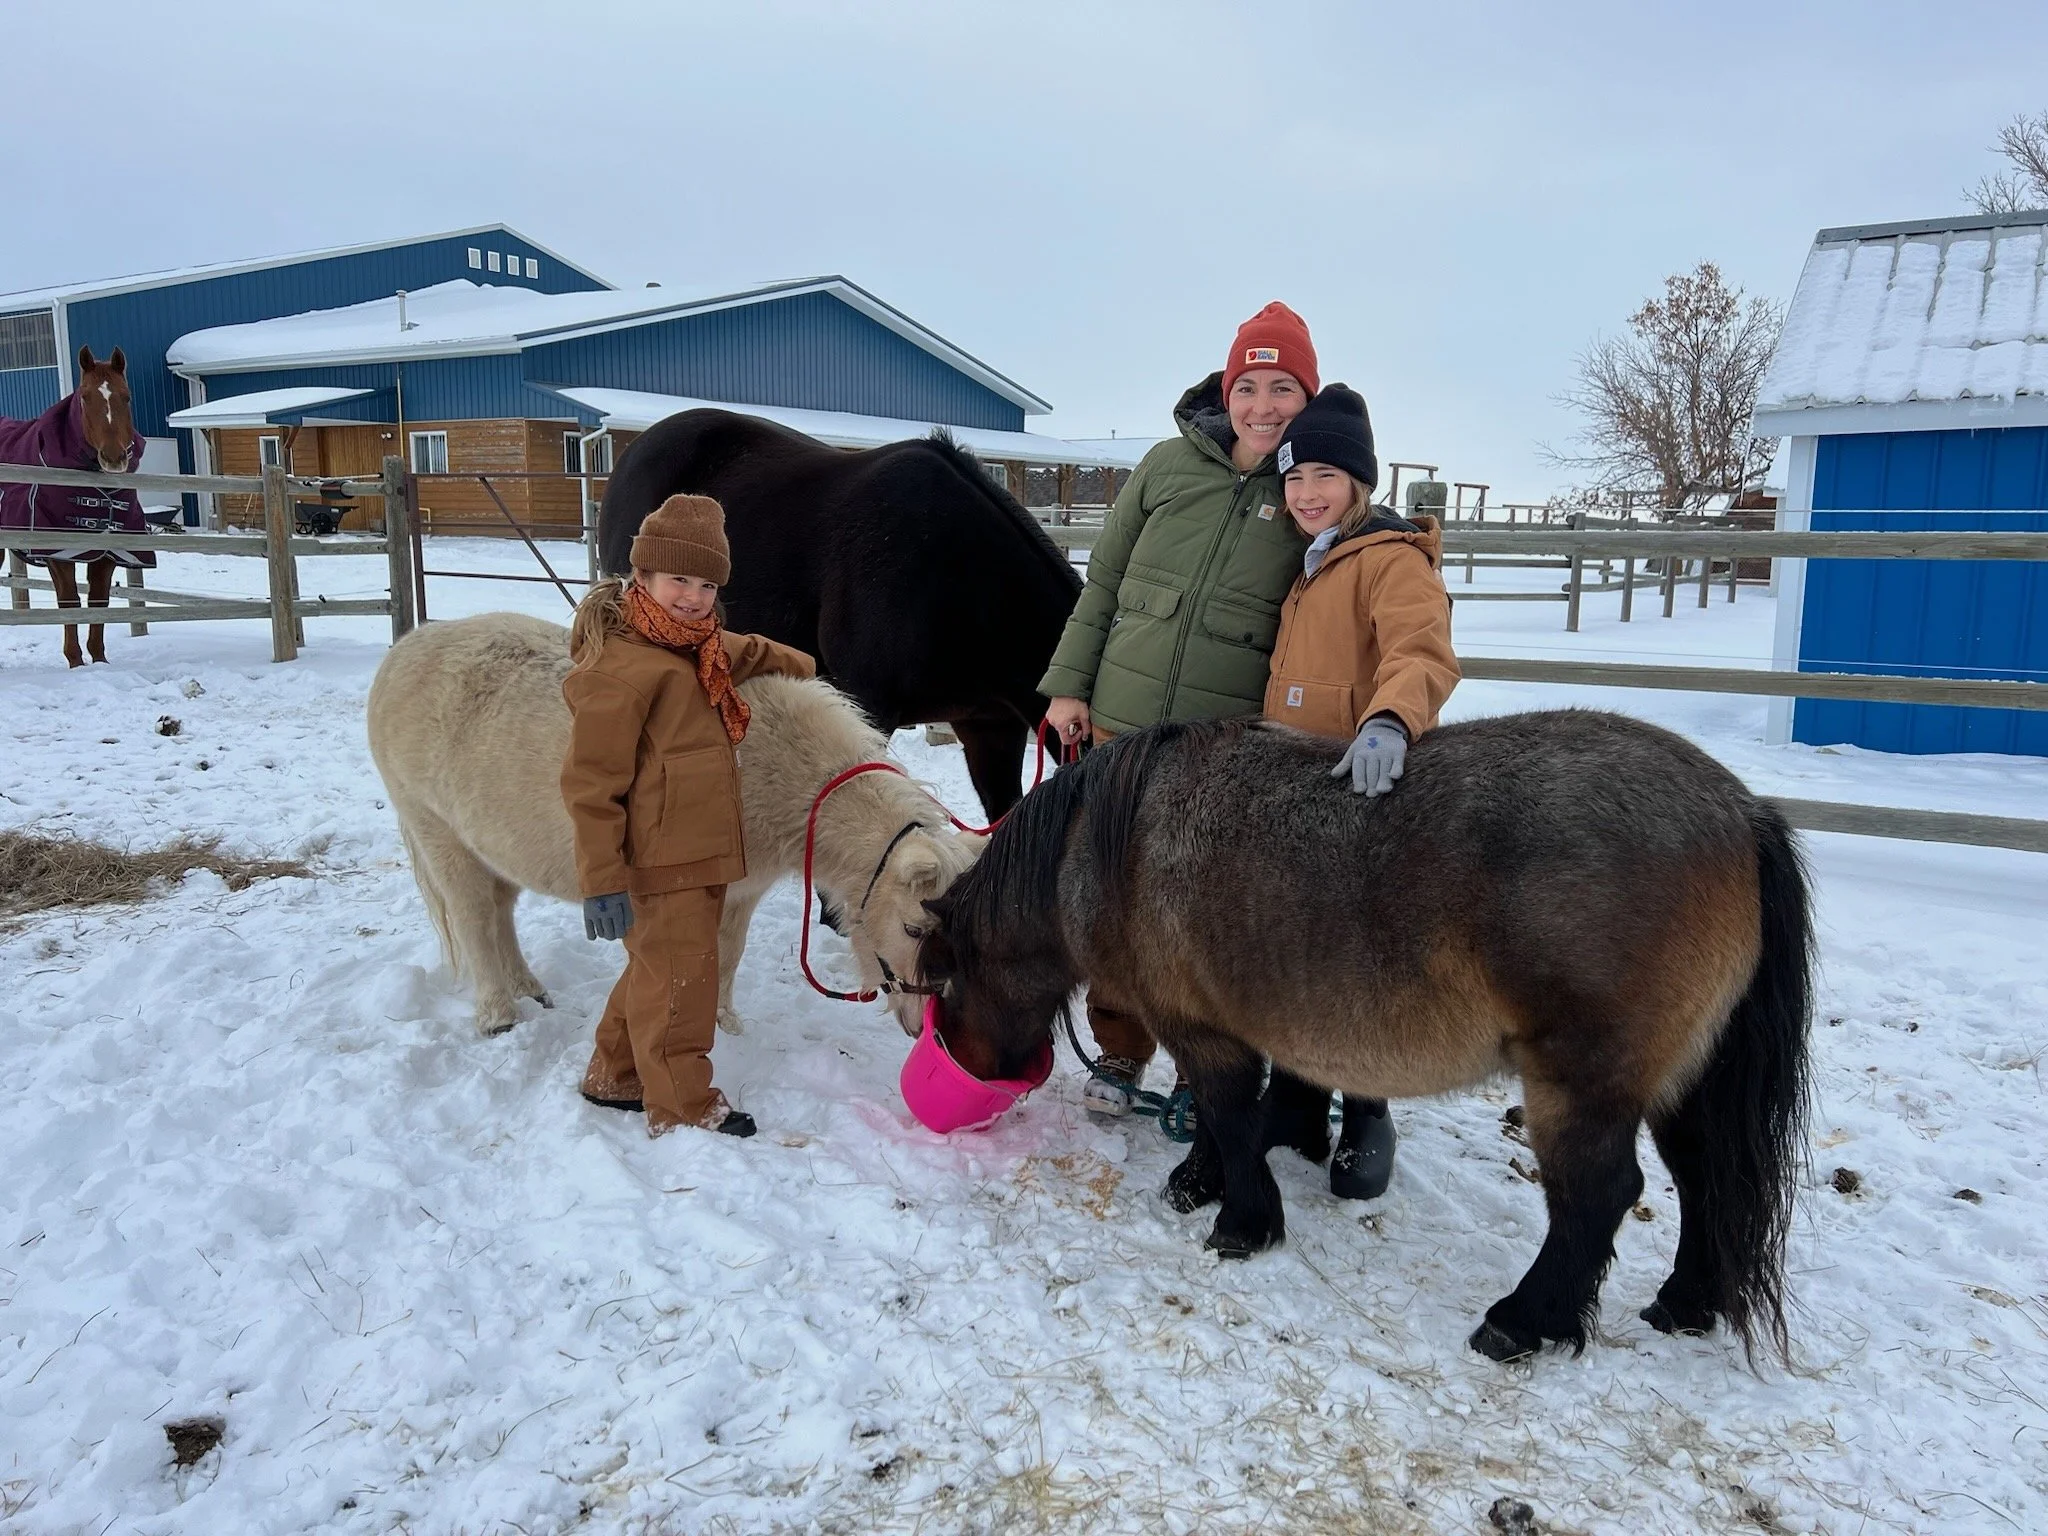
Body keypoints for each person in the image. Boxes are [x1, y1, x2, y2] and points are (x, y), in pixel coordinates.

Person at [1039, 302, 1318, 1116]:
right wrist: (1069, 685)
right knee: (1113, 901)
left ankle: (1208, 1078)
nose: (1263, 406)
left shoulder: (1305, 489)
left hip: (1219, 749)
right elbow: (1104, 585)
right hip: (1118, 729)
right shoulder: (1165, 467)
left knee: (1204, 921)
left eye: (1283, 389)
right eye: (1250, 386)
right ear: (1225, 391)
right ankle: (1120, 1054)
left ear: (1309, 397)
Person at [561, 494, 815, 1138]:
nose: (694, 597)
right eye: (679, 579)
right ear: (640, 576)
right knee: (683, 982)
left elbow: (750, 651)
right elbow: (591, 788)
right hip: (659, 857)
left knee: (657, 968)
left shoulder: (700, 646)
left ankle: (614, 1073)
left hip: (700, 849)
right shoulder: (622, 672)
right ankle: (681, 1105)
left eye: (707, 584)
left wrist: (807, 670)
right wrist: (601, 881)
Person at [1262, 383, 1461, 1198]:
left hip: (1357, 784)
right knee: (1291, 946)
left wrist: (1389, 720)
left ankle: (1369, 1109)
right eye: (1295, 476)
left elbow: (1421, 650)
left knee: (1354, 958)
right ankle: (1299, 1096)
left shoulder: (1389, 558)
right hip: (1290, 786)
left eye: (1326, 476)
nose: (1308, 493)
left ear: (1360, 484)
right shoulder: (1309, 563)